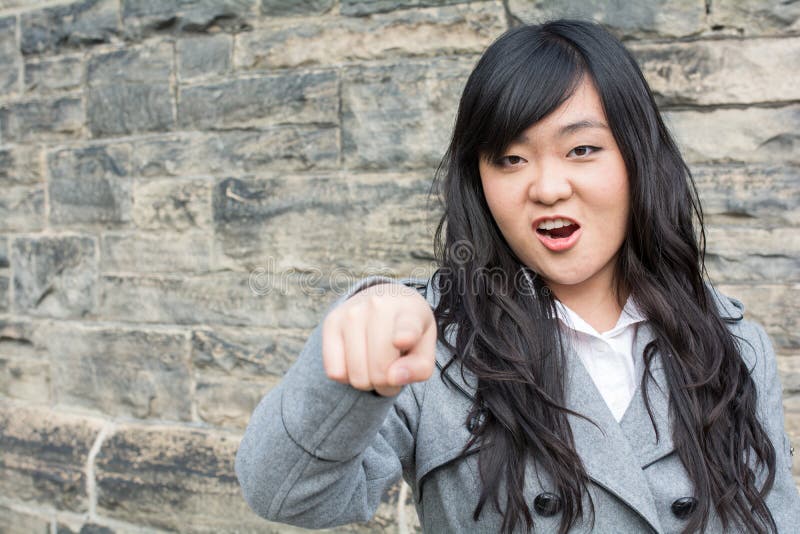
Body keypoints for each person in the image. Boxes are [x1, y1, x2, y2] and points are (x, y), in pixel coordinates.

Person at [234, 19, 800, 533]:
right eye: (510, 159)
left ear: (638, 159)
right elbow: (287, 496)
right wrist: (361, 350)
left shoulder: (734, 346)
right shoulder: (434, 342)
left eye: (582, 149)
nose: (548, 188)